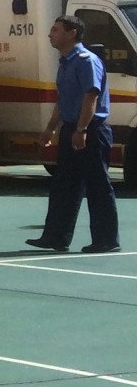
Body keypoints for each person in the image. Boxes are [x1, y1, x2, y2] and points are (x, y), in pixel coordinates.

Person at [26, 13, 120, 253]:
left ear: (72, 33)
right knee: (64, 184)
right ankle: (56, 237)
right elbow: (64, 100)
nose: (50, 34)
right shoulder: (65, 62)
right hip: (71, 128)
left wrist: (81, 129)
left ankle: (106, 240)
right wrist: (50, 128)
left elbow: (91, 96)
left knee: (97, 184)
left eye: (56, 30)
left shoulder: (86, 60)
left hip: (90, 129)